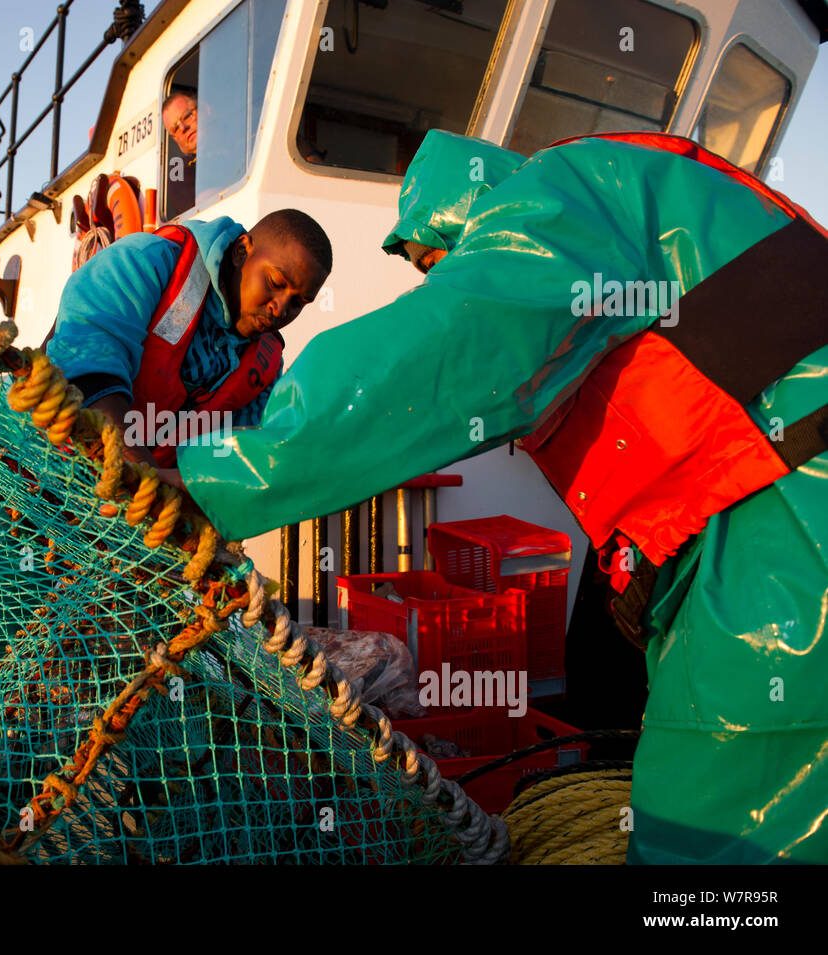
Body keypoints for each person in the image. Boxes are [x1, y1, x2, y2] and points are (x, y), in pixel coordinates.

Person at [174, 129, 828, 864]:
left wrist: (210, 482)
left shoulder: (556, 198)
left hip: (791, 542)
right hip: (764, 505)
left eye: (435, 265)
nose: (438, 283)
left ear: (459, 224)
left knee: (712, 834)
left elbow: (448, 351)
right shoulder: (624, 198)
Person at [46, 209, 331, 467]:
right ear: (241, 251)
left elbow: (236, 457)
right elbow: (84, 367)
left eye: (298, 303)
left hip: (113, 510)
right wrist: (144, 477)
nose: (280, 309)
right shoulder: (147, 260)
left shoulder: (264, 369)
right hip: (38, 463)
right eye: (275, 283)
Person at [162, 89, 199, 216]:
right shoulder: (178, 169)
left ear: (205, 109)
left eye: (187, 116)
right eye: (175, 128)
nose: (183, 128)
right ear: (175, 139)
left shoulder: (242, 141)